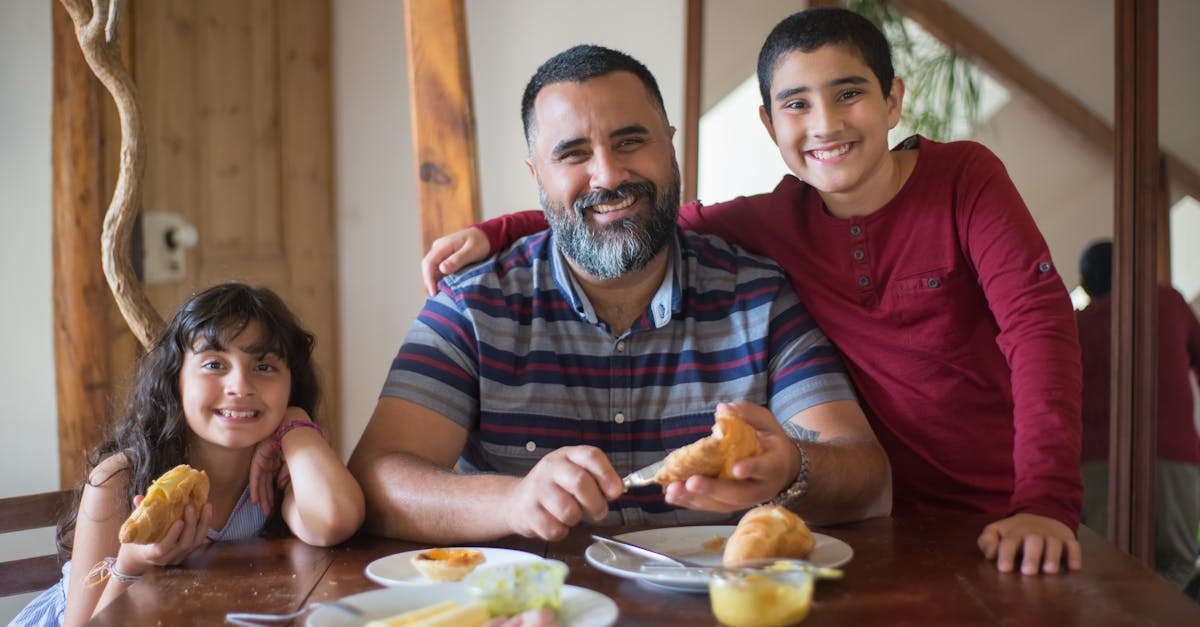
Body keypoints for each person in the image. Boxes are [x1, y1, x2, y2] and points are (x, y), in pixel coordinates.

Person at [422, 7, 1084, 575]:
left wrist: (1046, 498)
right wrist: (504, 229)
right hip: (881, 527)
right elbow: (631, 210)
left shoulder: (965, 177)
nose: (824, 124)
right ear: (770, 125)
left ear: (892, 100)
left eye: (849, 93)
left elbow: (1039, 326)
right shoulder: (773, 218)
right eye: (797, 104)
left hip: (1008, 506)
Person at [348, 44, 891, 545]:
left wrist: (793, 467)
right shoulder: (473, 303)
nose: (608, 174)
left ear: (670, 145)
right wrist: (511, 501)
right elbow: (376, 478)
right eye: (573, 154)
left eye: (631, 141)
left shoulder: (759, 297)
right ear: (537, 173)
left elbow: (865, 474)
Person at [14, 283, 365, 626]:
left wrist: (295, 422)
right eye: (214, 364)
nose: (240, 386)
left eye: (264, 366)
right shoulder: (118, 480)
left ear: (292, 384)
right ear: (175, 379)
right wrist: (133, 563)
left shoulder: (279, 476)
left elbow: (334, 519)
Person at [1075, 240, 1200, 589]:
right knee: (1176, 563)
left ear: (1084, 285)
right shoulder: (1167, 301)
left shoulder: (1077, 325)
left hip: (1096, 460)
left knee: (1108, 569)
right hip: (1172, 453)